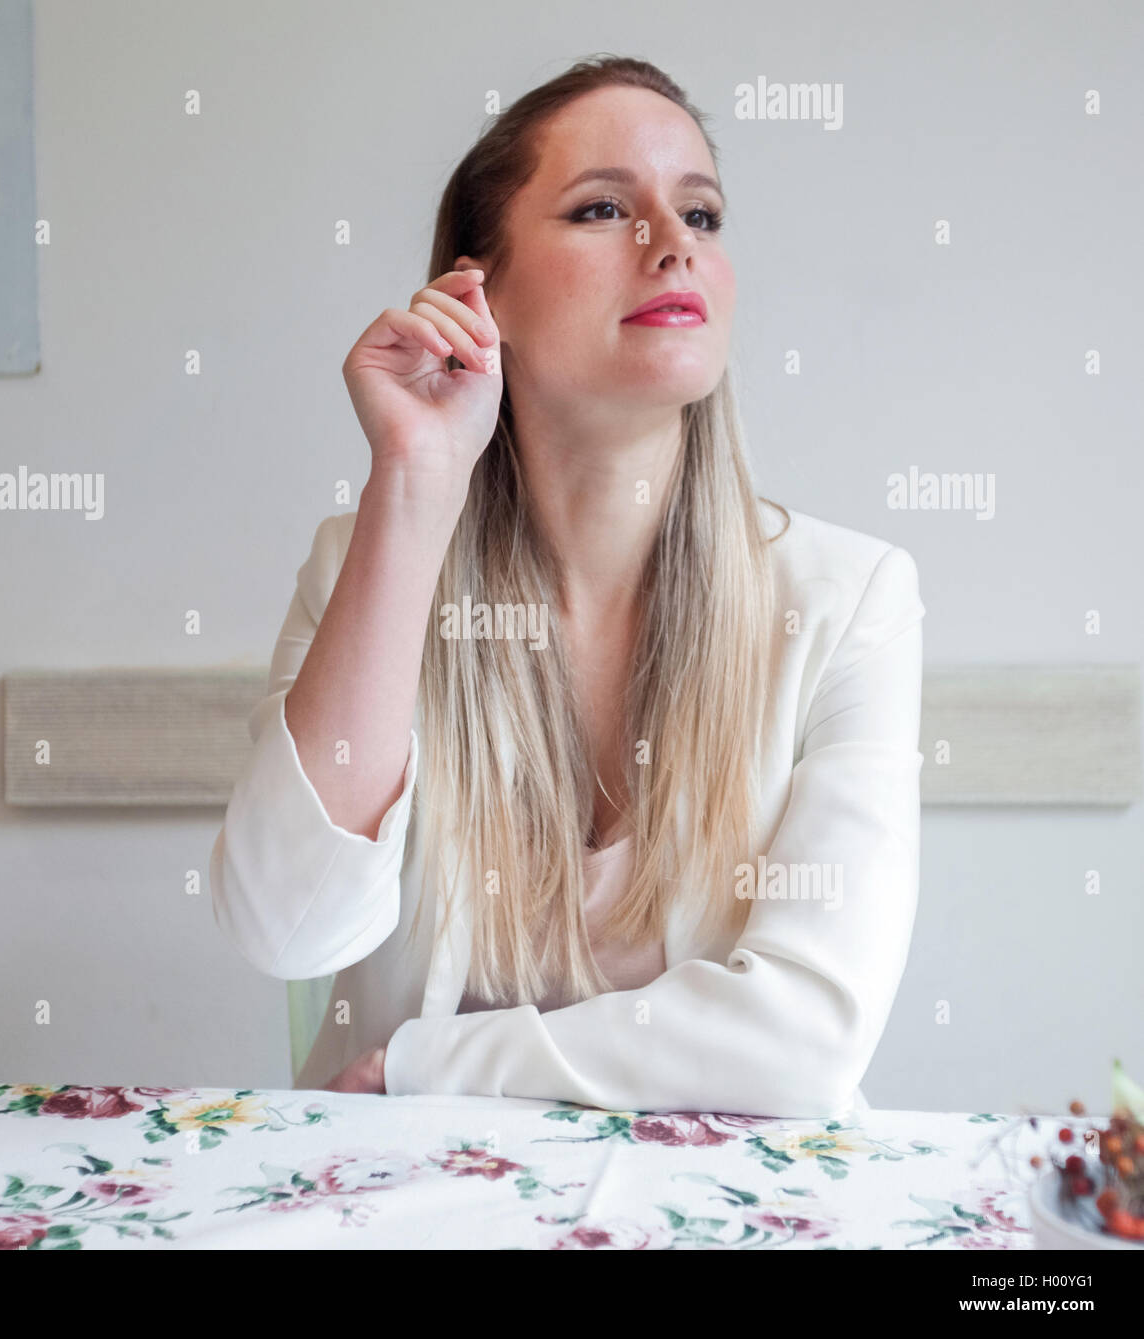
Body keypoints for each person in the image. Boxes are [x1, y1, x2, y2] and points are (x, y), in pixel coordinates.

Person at [209, 55, 925, 1116]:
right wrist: (411, 484)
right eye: (602, 208)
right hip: (396, 1199)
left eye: (702, 213)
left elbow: (806, 1036)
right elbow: (285, 926)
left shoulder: (849, 597)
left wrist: (430, 1065)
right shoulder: (365, 561)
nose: (672, 242)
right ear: (474, 295)